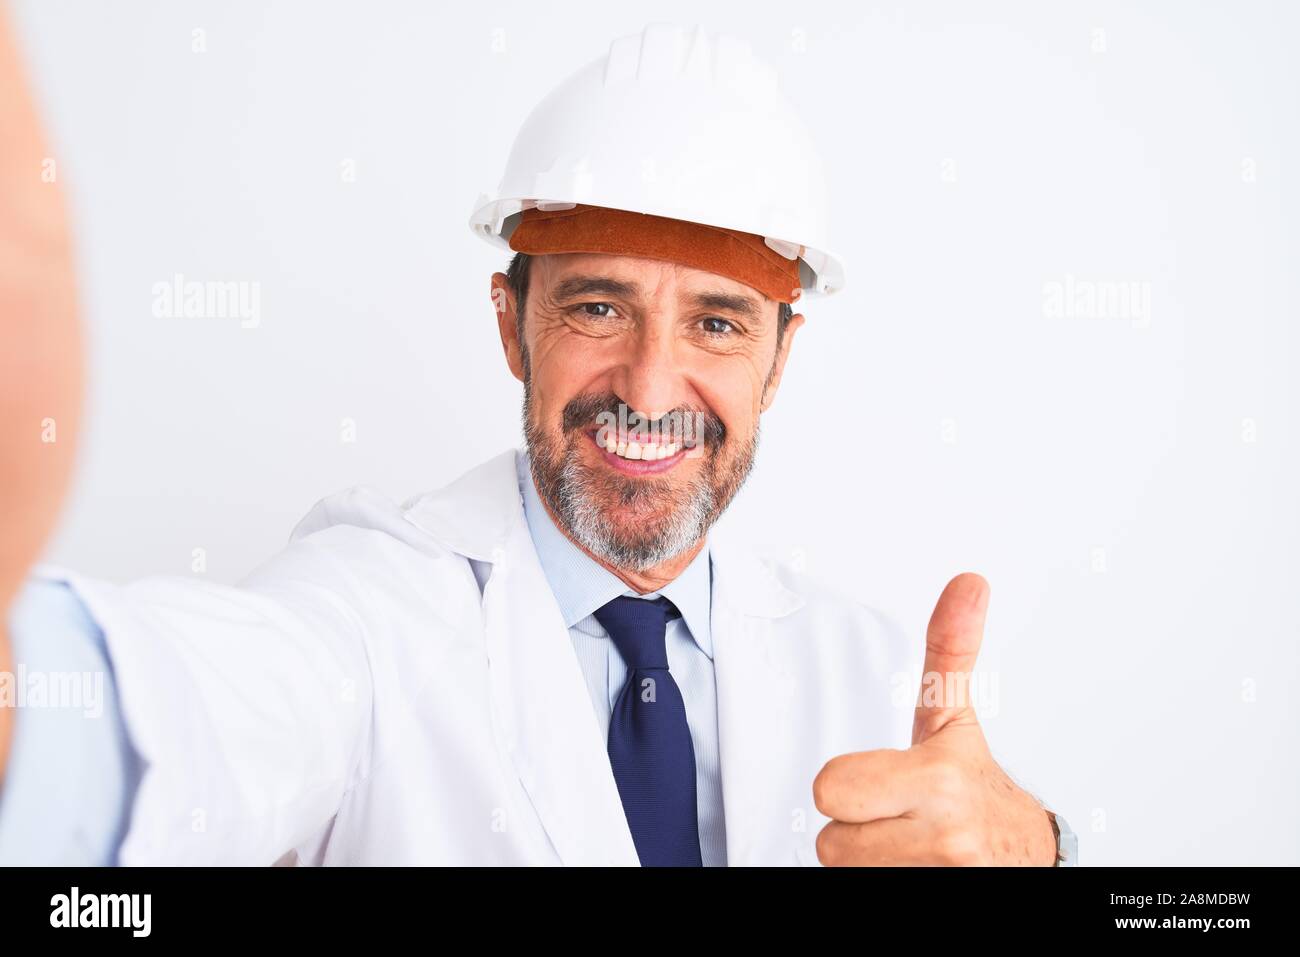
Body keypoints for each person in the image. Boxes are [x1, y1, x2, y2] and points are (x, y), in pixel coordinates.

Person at [0, 20, 1075, 866]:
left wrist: (1042, 850)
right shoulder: (369, 615)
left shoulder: (872, 673)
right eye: (598, 308)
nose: (649, 388)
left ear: (779, 361)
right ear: (511, 324)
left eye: (716, 323)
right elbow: (189, 714)